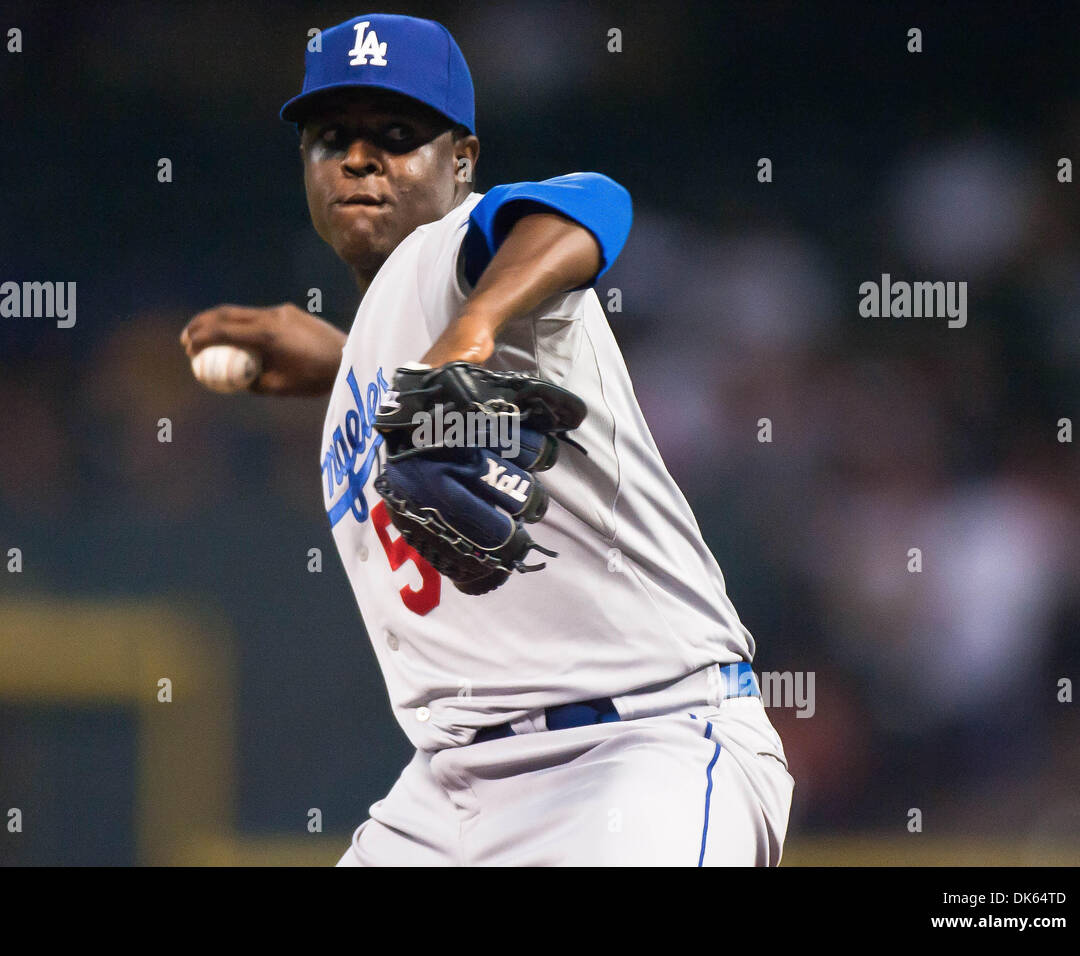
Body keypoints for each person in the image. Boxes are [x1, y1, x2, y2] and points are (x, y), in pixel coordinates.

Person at [181, 13, 794, 866]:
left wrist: (472, 328)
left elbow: (590, 206)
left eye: (397, 136)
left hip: (639, 747)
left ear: (462, 162)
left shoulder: (463, 249)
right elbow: (413, 377)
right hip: (449, 791)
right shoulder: (387, 334)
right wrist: (337, 358)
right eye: (332, 139)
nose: (359, 159)